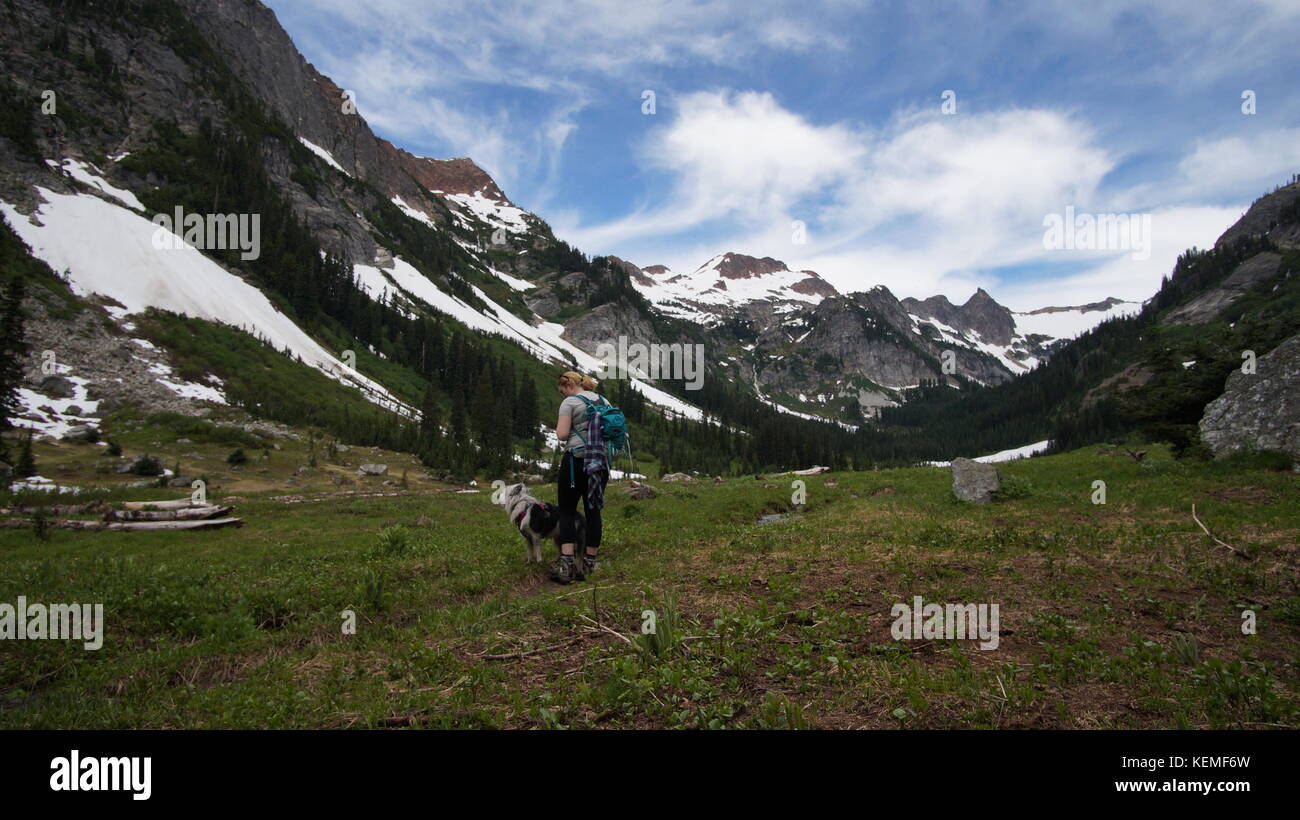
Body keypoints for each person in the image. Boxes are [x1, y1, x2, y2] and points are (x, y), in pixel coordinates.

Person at [552, 370, 610, 584]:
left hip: (575, 461)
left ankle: (566, 564)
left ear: (567, 386)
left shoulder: (570, 403)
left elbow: (562, 434)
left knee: (567, 511)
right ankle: (589, 562)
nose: (562, 396)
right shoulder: (604, 400)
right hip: (600, 462)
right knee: (593, 510)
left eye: (562, 392)